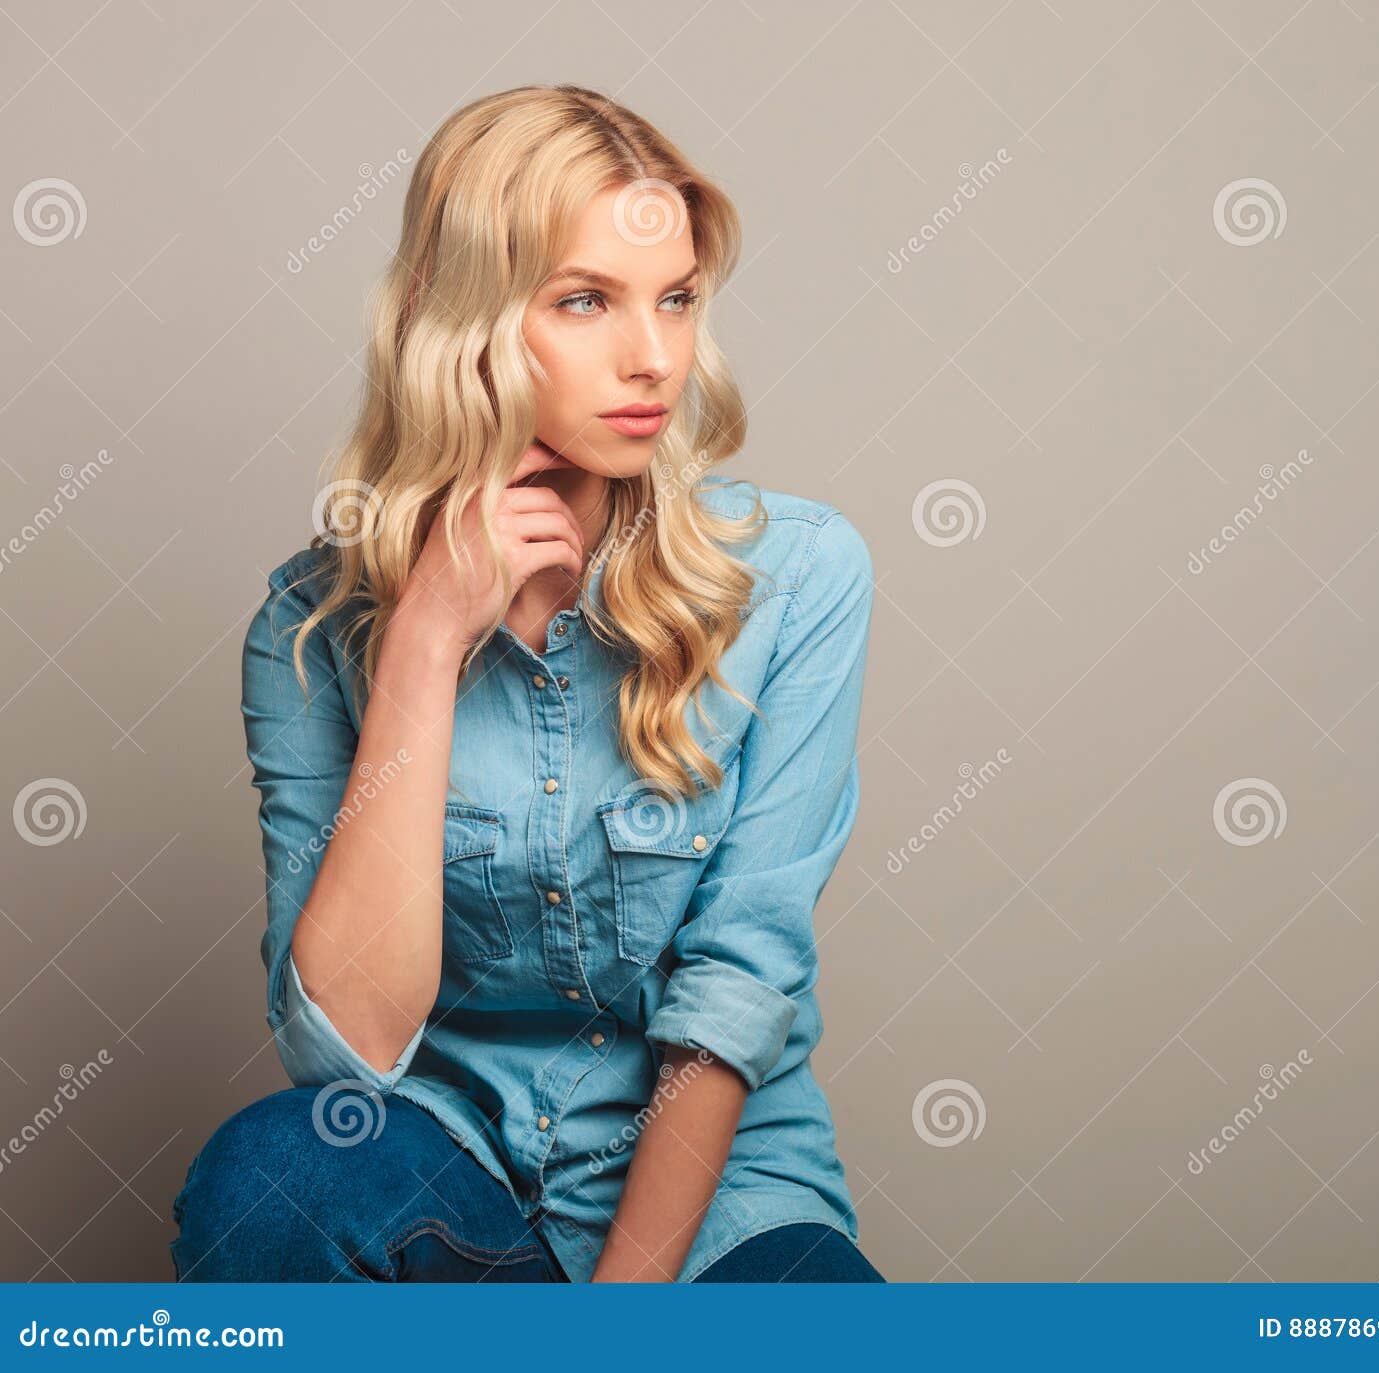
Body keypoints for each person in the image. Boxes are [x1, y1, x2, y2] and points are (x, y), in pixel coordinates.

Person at [167, 83, 883, 1284]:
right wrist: (422, 646)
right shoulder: (305, 629)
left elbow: (736, 990)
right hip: (452, 1178)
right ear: (460, 319)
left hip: (717, 1222)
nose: (653, 355)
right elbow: (349, 1053)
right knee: (272, 1173)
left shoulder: (800, 581)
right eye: (585, 300)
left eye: (677, 299)